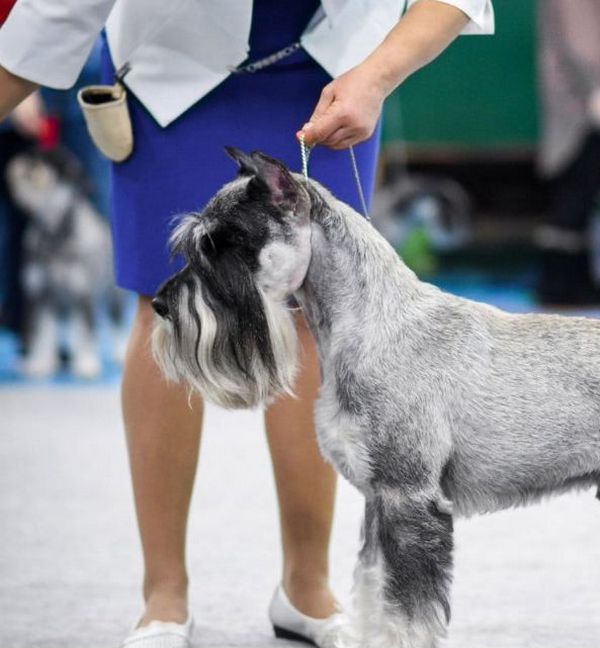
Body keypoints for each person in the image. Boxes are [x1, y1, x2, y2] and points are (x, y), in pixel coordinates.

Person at [0, 1, 493, 647]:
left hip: (338, 73)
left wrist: (375, 77)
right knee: (164, 306)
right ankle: (164, 594)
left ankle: (307, 585)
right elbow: (56, 8)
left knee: (316, 314)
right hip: (171, 82)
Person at [534, 0, 600, 305]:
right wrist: (598, 90)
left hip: (593, 106)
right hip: (586, 111)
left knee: (583, 201)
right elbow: (581, 46)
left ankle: (571, 283)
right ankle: (560, 284)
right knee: (574, 200)